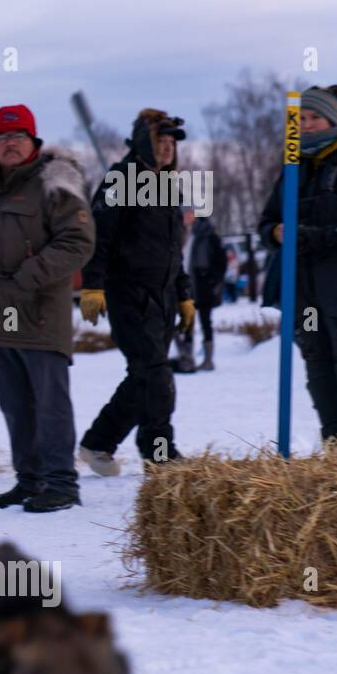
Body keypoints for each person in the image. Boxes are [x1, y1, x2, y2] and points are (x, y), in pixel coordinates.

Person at [0, 105, 95, 513]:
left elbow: (78, 242)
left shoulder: (56, 185)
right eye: (1, 138)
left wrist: (27, 277)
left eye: (17, 137)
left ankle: (61, 483)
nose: (9, 144)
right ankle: (28, 480)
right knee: (15, 405)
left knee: (50, 402)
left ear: (33, 142)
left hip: (39, 313)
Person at [79, 108, 193, 473]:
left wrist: (185, 294)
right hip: (129, 295)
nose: (166, 148)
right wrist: (92, 286)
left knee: (143, 376)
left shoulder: (169, 187)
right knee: (156, 374)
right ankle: (159, 452)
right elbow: (99, 237)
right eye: (160, 140)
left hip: (164, 300)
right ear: (144, 141)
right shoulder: (121, 179)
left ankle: (97, 443)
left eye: (171, 142)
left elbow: (174, 250)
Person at [258, 84, 337, 442]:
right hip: (303, 286)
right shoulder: (294, 166)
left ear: (334, 118)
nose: (306, 124)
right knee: (318, 366)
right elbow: (266, 222)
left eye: (315, 117)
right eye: (300, 118)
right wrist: (276, 233)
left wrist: (319, 235)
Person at [173, 209, 224, 372]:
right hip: (184, 285)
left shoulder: (208, 235)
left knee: (205, 320)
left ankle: (208, 359)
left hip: (203, 285)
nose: (187, 216)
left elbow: (220, 261)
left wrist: (213, 281)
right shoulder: (179, 234)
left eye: (190, 213)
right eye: (185, 213)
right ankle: (186, 356)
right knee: (186, 320)